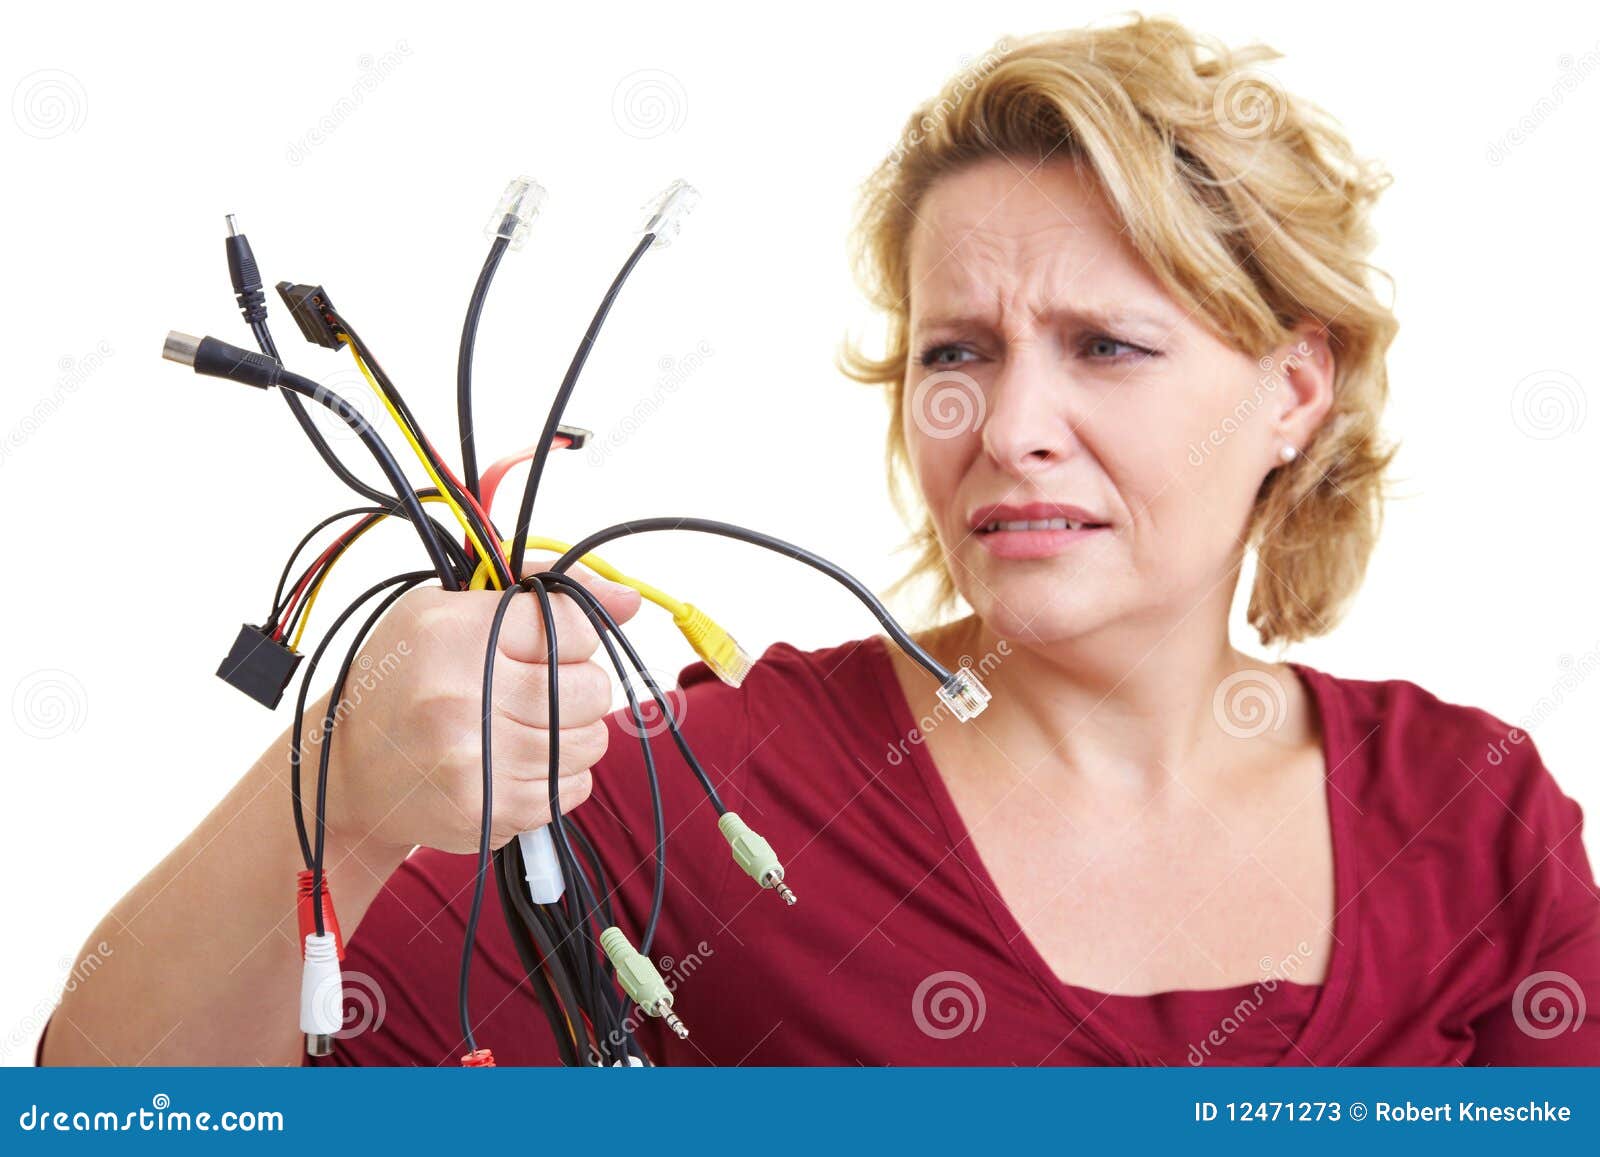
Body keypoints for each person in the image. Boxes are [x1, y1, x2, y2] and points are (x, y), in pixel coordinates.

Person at [42, 14, 1598, 1067]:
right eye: (958, 353)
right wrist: (343, 784)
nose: (1008, 427)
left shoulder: (1471, 820)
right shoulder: (684, 799)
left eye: (1107, 347)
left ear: (1293, 389)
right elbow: (116, 1108)